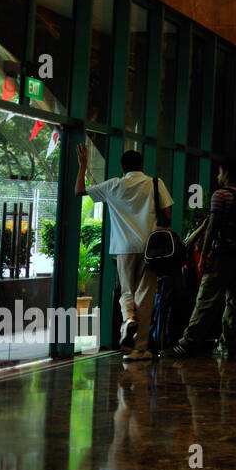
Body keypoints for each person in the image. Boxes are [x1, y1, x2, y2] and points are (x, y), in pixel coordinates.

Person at [73, 145, 173, 361]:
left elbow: (79, 191)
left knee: (127, 291)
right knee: (145, 295)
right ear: (142, 165)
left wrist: (83, 165)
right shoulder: (155, 183)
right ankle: (139, 349)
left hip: (123, 248)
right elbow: (167, 214)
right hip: (151, 248)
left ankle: (128, 319)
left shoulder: (113, 185)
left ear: (122, 168)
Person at [159, 161, 236, 358]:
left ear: (226, 173)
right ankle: (229, 342)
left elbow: (213, 227)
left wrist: (203, 255)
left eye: (219, 172)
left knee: (207, 299)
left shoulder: (221, 195)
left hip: (223, 255)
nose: (217, 176)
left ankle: (187, 343)